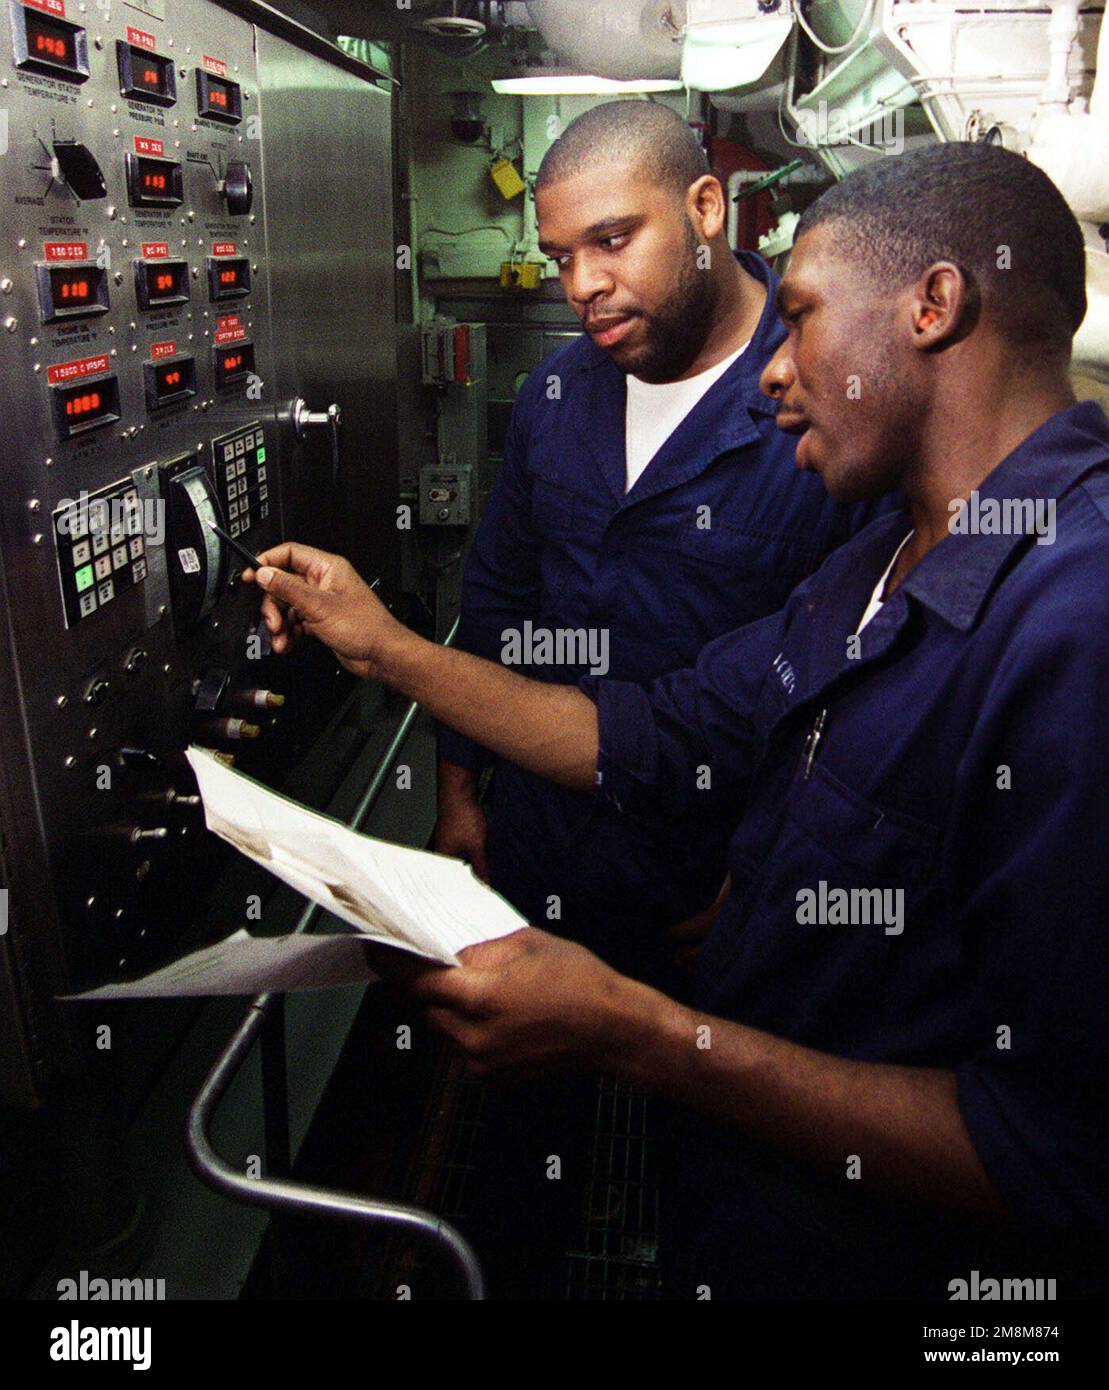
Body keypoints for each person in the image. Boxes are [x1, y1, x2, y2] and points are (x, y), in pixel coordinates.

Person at [245, 142, 1109, 1298]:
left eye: (799, 318)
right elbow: (646, 732)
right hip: (752, 1205)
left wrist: (639, 1031)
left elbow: (1053, 1160)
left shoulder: (1074, 624)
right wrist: (385, 649)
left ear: (932, 305)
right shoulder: (879, 562)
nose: (772, 371)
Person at [437, 101, 883, 987]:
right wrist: (457, 796)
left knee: (694, 1099)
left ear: (705, 210)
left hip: (706, 878)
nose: (581, 285)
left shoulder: (826, 404)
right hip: (543, 847)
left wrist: (776, 864)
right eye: (562, 256)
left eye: (612, 240)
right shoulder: (555, 395)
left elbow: (861, 682)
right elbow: (496, 600)